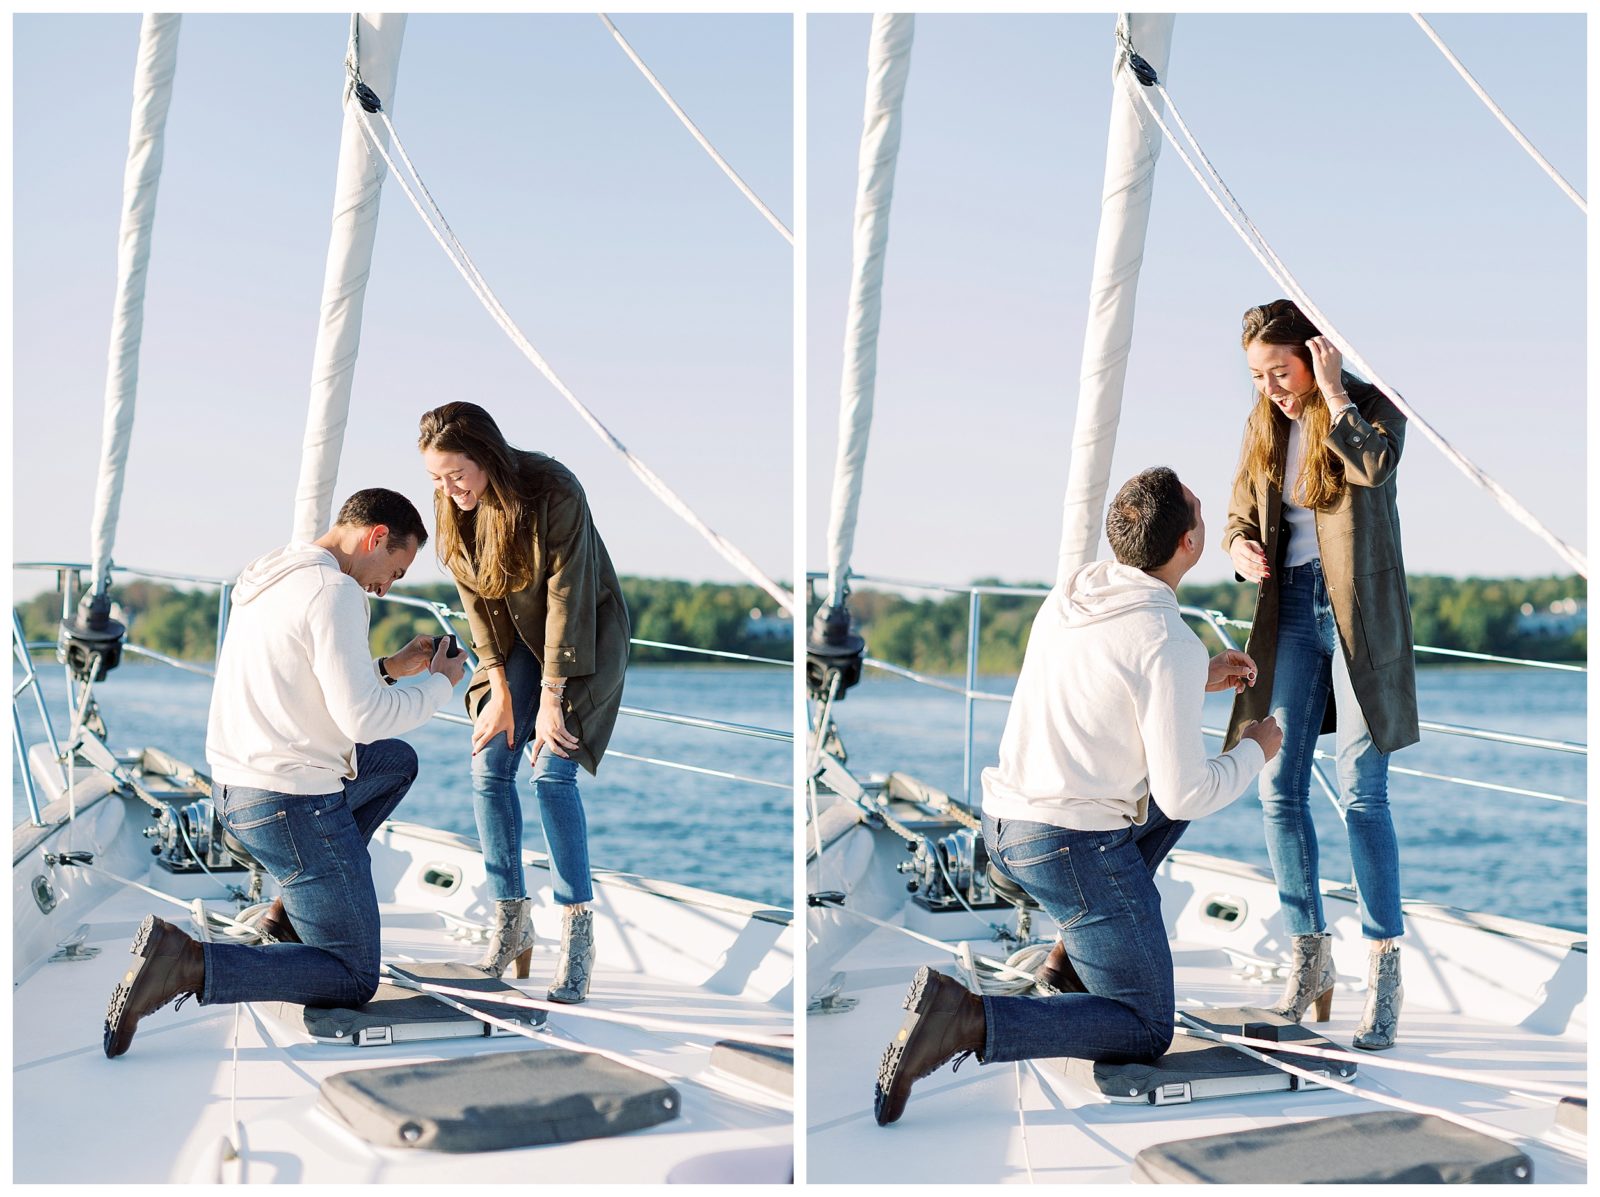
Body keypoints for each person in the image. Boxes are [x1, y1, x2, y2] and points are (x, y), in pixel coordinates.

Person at [873, 467, 1282, 1125]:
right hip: (1066, 849)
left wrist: (1195, 679)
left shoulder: (1076, 590)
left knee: (1158, 788)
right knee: (1145, 1024)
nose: (1205, 511)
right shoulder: (1166, 639)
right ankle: (965, 1019)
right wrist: (1255, 750)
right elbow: (1184, 795)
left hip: (1005, 826)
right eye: (1200, 509)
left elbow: (1109, 677)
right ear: (1187, 542)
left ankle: (1067, 961)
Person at [103, 489, 468, 1058]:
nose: (385, 587)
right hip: (289, 804)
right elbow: (364, 719)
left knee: (395, 763)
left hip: (237, 794)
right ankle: (188, 963)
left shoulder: (270, 575)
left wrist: (391, 668)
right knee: (353, 975)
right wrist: (441, 683)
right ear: (375, 537)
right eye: (394, 570)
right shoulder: (335, 591)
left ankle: (287, 916)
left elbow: (309, 686)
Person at [1222, 299, 1417, 1050]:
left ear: (1315, 354)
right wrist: (1239, 548)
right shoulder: (1262, 423)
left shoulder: (1371, 404)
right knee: (1277, 788)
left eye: (1280, 370)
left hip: (1359, 615)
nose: (1269, 387)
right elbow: (1240, 514)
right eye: (1256, 375)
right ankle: (1311, 960)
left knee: (1363, 794)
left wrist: (1333, 392)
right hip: (1292, 613)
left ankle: (1384, 971)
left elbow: (1373, 465)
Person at [418, 402, 629, 1003]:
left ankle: (578, 934)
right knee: (489, 765)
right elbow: (474, 599)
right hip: (511, 644)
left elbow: (567, 596)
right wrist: (499, 688)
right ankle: (512, 923)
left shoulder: (554, 489)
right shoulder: (451, 500)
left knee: (552, 773)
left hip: (583, 636)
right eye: (436, 477)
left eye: (457, 474)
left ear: (486, 456)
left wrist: (552, 698)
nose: (448, 489)